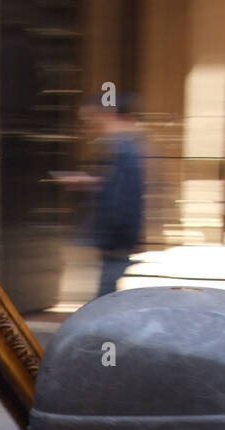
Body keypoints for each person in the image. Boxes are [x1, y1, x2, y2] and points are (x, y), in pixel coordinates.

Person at [82, 93, 144, 298]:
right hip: (117, 238)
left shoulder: (124, 150)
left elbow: (121, 199)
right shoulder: (125, 148)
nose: (94, 124)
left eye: (97, 118)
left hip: (116, 239)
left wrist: (109, 237)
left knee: (105, 296)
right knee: (107, 292)